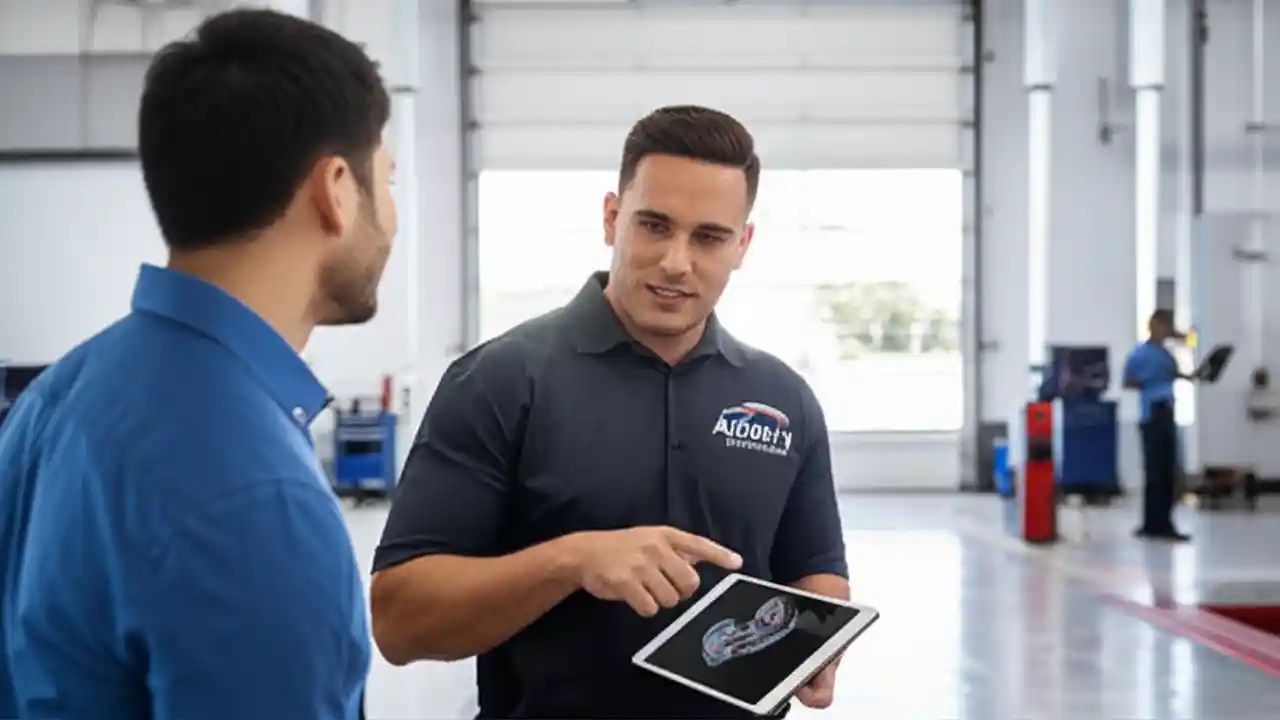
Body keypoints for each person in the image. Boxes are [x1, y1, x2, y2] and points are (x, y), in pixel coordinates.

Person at [370, 105, 849, 718]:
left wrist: (817, 643)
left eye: (709, 237)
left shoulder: (784, 399)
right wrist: (571, 561)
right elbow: (401, 621)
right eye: (654, 226)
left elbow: (816, 573)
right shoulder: (499, 381)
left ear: (743, 244)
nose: (678, 261)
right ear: (611, 218)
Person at [0, 9, 395, 719]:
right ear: (336, 190)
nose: (391, 217)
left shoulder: (58, 397)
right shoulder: (259, 496)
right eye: (386, 182)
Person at [1122, 309, 1196, 542]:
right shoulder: (1140, 353)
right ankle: (1152, 524)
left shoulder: (1166, 354)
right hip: (1153, 415)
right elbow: (1128, 381)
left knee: (1166, 472)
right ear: (1153, 325)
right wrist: (1148, 380)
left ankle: (1162, 522)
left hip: (1167, 411)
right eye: (1164, 325)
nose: (1166, 329)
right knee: (1154, 472)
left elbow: (1177, 374)